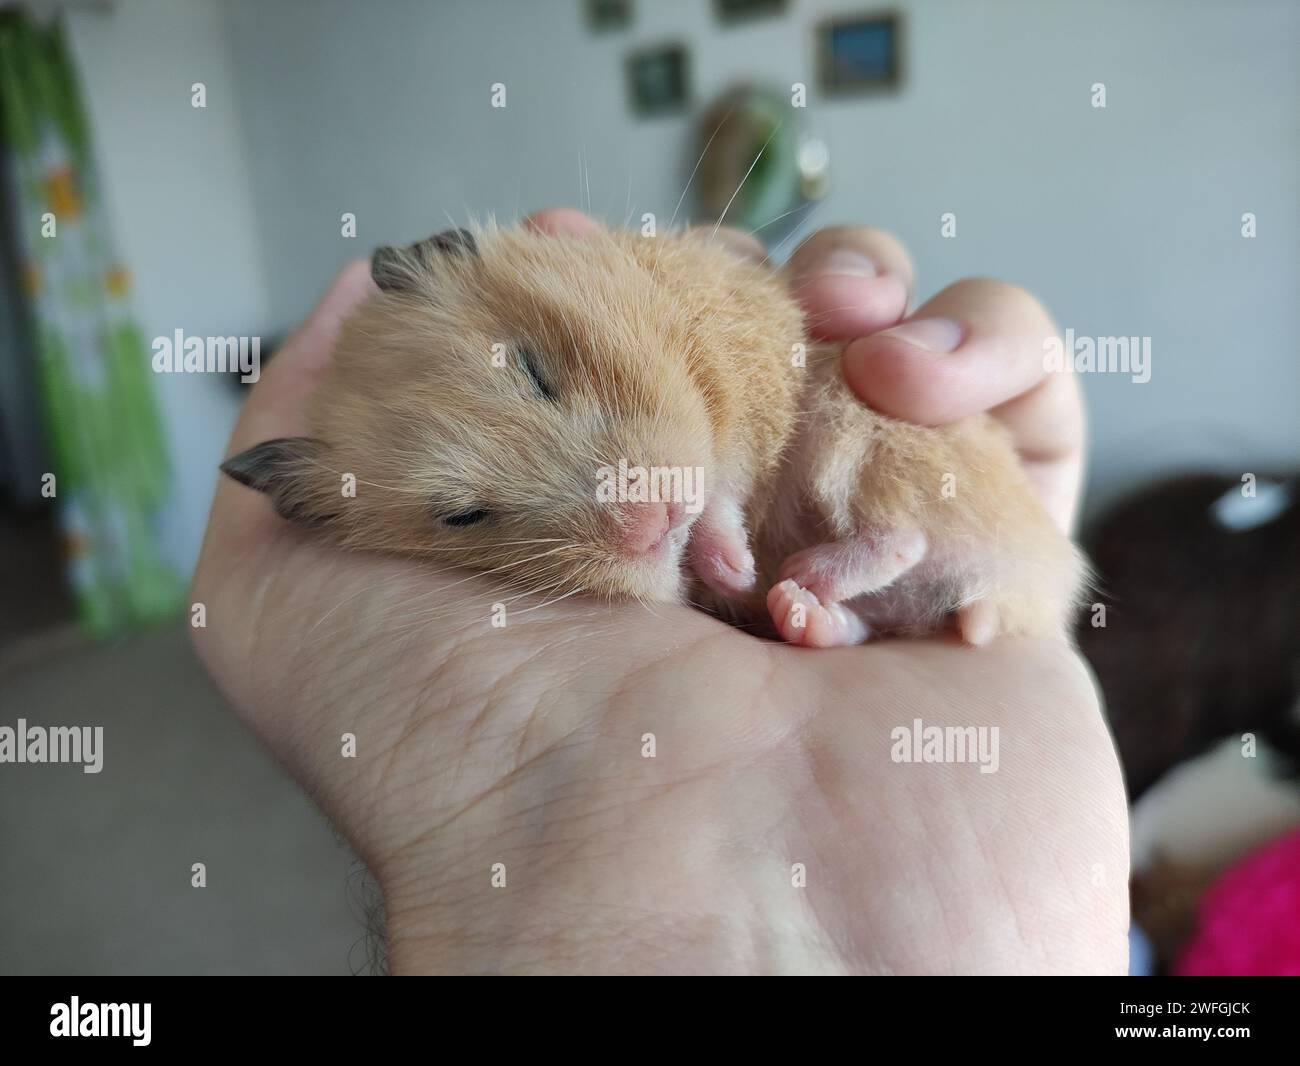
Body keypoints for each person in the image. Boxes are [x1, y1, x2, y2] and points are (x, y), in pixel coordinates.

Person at [190, 208, 1127, 975]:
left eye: (536, 375)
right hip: (886, 611)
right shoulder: (357, 519)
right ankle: (877, 580)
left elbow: (752, 363)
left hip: (937, 519)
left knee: (856, 392)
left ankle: (904, 545)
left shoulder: (652, 276)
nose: (625, 509)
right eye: (470, 518)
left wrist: (718, 479)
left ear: (465, 253)